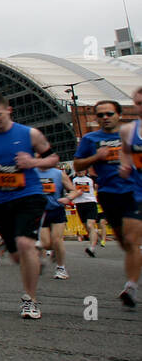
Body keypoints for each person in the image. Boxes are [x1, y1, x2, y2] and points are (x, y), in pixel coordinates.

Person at [0, 93, 60, 319]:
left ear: (9, 110)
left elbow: (53, 158)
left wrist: (33, 162)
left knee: (24, 243)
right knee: (17, 255)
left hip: (29, 195)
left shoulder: (29, 134)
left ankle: (30, 299)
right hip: (1, 200)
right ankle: (33, 255)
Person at [77, 98, 141, 307]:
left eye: (109, 114)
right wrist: (96, 157)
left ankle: (131, 287)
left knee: (131, 240)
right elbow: (78, 163)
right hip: (108, 194)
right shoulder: (90, 139)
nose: (105, 118)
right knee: (125, 242)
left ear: (119, 115)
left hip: (134, 192)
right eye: (101, 115)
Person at [113, 87, 142, 307]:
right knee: (131, 240)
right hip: (138, 192)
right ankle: (131, 287)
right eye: (138, 103)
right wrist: (125, 164)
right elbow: (124, 150)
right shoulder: (129, 130)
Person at [35, 164, 72, 280]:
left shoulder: (59, 173)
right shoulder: (31, 173)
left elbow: (73, 190)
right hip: (41, 211)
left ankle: (61, 268)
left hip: (57, 209)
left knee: (57, 239)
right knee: (45, 243)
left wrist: (69, 198)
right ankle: (55, 251)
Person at [68, 171, 100, 256]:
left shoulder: (91, 178)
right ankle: (94, 233)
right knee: (87, 227)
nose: (80, 172)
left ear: (85, 170)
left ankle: (92, 248)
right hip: (79, 204)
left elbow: (97, 185)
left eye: (82, 170)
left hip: (91, 203)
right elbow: (70, 189)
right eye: (78, 170)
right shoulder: (73, 179)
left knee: (90, 225)